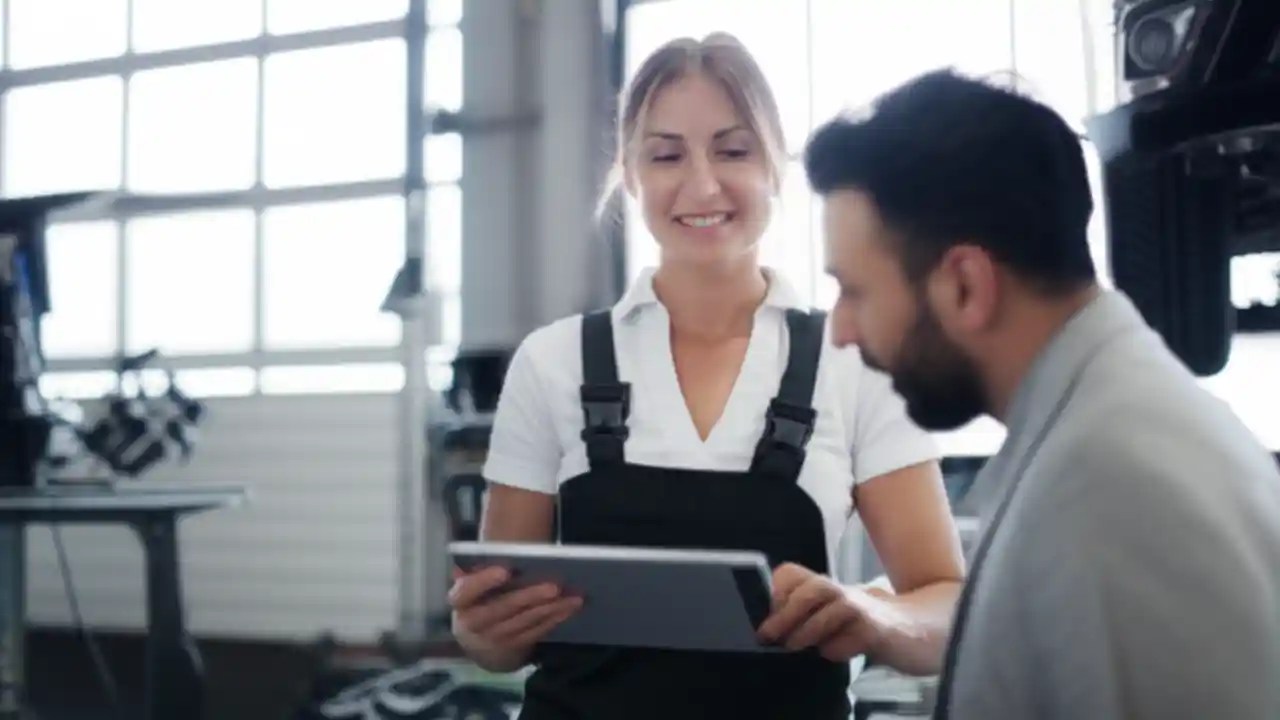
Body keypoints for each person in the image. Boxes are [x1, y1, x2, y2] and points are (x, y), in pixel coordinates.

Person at [448, 33, 966, 720]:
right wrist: (480, 634)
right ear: (631, 174)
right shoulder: (552, 362)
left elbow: (947, 602)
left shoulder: (854, 363)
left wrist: (878, 621)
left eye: (733, 149)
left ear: (777, 165)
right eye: (666, 155)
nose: (702, 184)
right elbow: (499, 634)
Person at [805, 68, 1280, 720]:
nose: (841, 330)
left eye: (855, 291)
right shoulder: (1095, 434)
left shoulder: (1118, 492)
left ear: (965, 286)